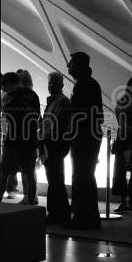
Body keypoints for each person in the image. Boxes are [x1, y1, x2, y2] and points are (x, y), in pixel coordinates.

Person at [64, 52, 104, 229]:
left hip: (84, 135)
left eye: (71, 63)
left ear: (79, 65)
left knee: (82, 176)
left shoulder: (84, 85)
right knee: (85, 175)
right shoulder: (88, 84)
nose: (68, 66)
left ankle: (82, 217)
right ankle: (88, 217)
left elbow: (90, 113)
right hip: (88, 135)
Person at [0, 72, 40, 204]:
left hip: (13, 141)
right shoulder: (33, 95)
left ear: (10, 83)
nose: (2, 86)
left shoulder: (8, 97)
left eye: (4, 83)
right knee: (29, 174)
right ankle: (31, 204)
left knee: (4, 173)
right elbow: (37, 116)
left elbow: (7, 118)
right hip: (30, 141)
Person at [40, 72, 72, 223]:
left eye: (54, 83)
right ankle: (59, 212)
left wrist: (44, 139)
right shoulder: (56, 102)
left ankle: (56, 213)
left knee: (55, 180)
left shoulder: (61, 102)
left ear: (61, 85)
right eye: (50, 83)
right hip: (51, 144)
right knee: (55, 179)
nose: (51, 86)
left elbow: (57, 126)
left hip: (54, 144)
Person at [112, 76, 132, 213]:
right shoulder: (124, 101)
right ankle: (125, 201)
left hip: (130, 138)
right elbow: (122, 122)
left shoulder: (128, 101)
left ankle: (129, 201)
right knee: (121, 170)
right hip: (127, 138)